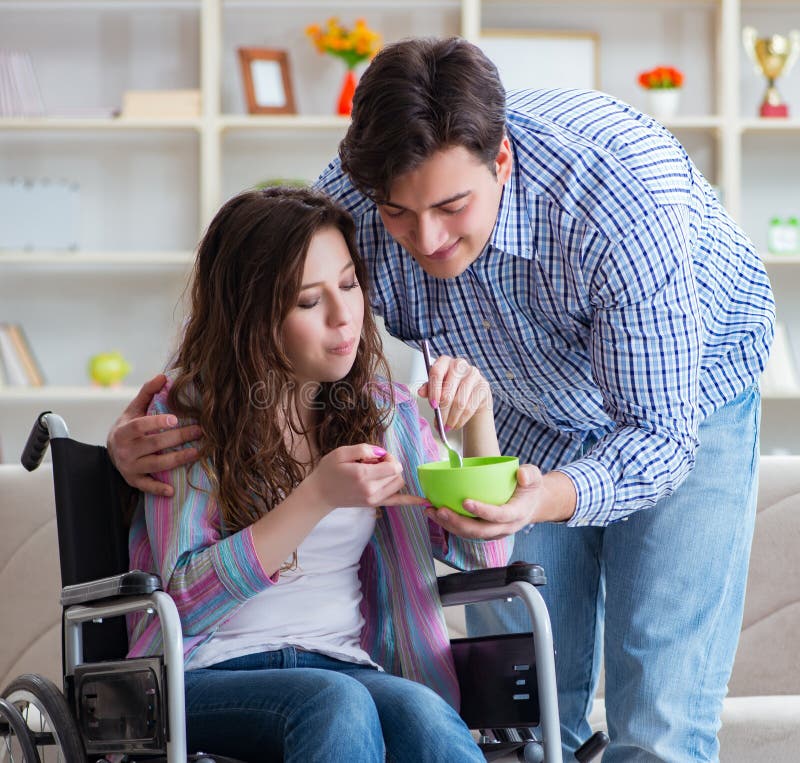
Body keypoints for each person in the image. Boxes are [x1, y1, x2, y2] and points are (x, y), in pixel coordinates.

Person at [110, 38, 775, 762]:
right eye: (398, 213)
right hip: (524, 402)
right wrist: (133, 432)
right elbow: (255, 291)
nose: (425, 241)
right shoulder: (348, 208)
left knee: (660, 724)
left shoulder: (620, 210)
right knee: (535, 717)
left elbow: (657, 439)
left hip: (682, 401)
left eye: (452, 207)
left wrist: (529, 482)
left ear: (502, 162)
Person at [124, 186, 511, 762]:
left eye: (349, 285)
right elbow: (182, 600)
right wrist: (316, 496)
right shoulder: (186, 418)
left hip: (346, 664)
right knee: (335, 702)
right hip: (204, 673)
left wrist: (478, 419)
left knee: (425, 714)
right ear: (252, 317)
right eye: (309, 301)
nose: (343, 316)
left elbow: (486, 555)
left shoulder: (386, 414)